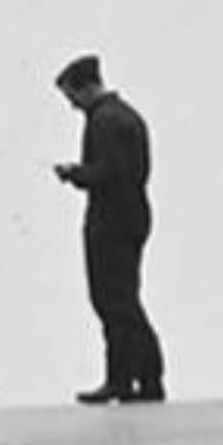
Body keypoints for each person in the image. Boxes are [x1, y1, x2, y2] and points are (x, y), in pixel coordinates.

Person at [51, 52, 165, 403]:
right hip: (133, 215)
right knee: (126, 300)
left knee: (112, 301)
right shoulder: (127, 116)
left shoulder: (103, 121)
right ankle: (146, 378)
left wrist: (75, 174)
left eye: (72, 96)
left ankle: (122, 379)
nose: (72, 105)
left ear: (84, 88)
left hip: (110, 219)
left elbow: (107, 172)